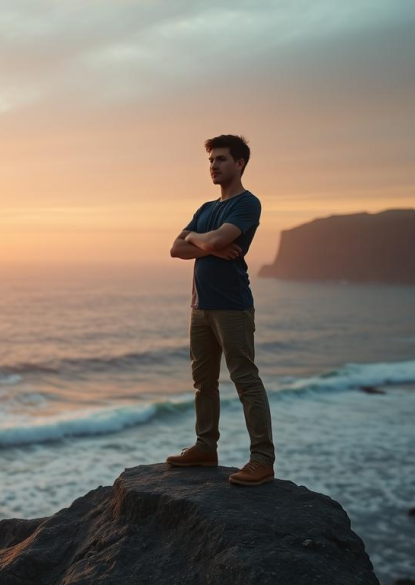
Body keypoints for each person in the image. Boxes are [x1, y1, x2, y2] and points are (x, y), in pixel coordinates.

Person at [165, 134, 275, 486]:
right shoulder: (205, 208)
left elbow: (201, 241)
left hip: (232, 307)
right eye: (211, 160)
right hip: (200, 306)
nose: (214, 166)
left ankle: (262, 459)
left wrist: (202, 240)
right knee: (203, 383)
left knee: (245, 380)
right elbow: (175, 249)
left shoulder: (247, 204)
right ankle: (205, 447)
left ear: (239, 164)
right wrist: (210, 245)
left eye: (221, 160)